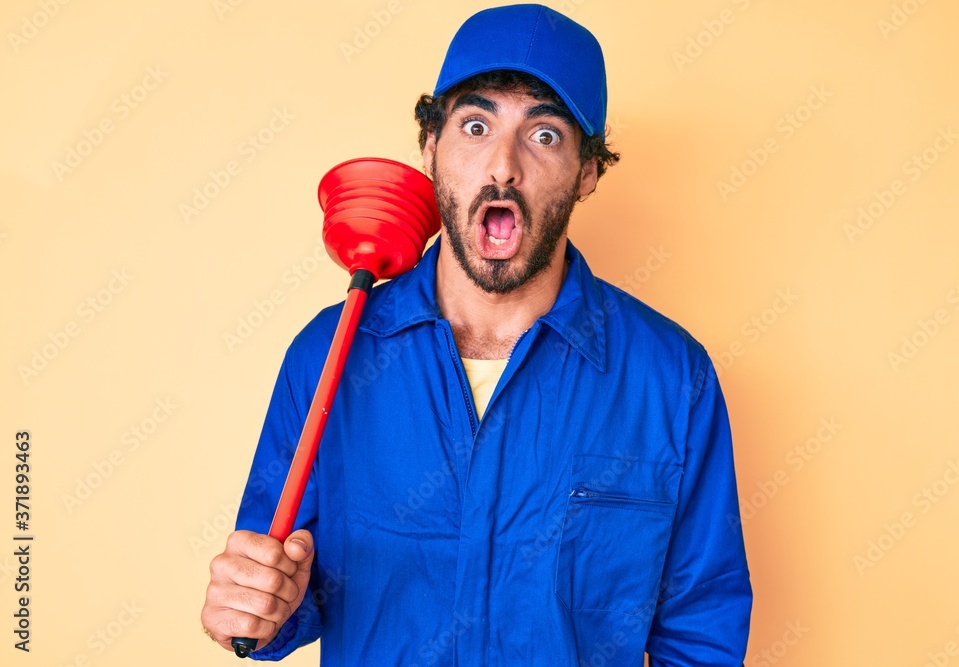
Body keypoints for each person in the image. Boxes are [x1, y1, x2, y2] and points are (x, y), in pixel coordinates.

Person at [201, 4, 752, 665]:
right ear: (431, 147)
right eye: (475, 125)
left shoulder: (671, 379)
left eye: (544, 134)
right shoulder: (329, 356)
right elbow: (281, 586)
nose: (502, 167)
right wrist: (261, 606)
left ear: (587, 171)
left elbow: (700, 629)